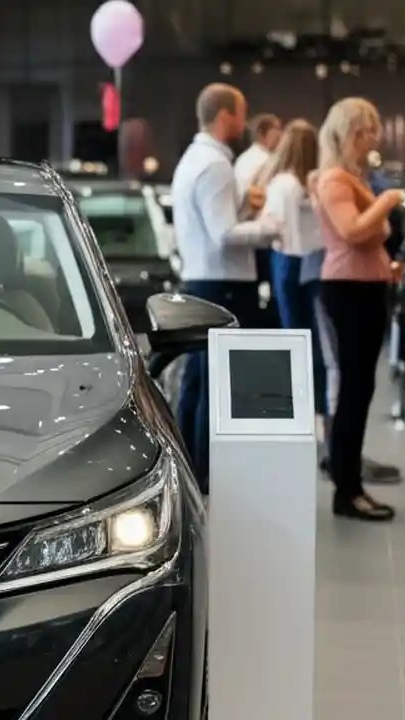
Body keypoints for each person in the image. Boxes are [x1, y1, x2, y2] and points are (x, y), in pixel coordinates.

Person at [170, 83, 281, 491]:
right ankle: (206, 475)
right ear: (225, 116)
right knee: (215, 384)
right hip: (222, 285)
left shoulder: (195, 159)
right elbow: (224, 234)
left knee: (198, 382)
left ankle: (194, 470)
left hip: (205, 279)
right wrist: (269, 227)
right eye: (241, 112)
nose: (245, 121)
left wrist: (244, 206)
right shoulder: (215, 165)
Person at [313, 98, 405, 522]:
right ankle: (347, 488)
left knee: (360, 388)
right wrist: (387, 200)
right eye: (369, 130)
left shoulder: (353, 179)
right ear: (353, 132)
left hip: (365, 286)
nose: (376, 138)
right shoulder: (336, 180)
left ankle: (350, 484)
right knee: (353, 389)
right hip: (349, 289)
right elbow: (352, 231)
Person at [257, 119, 329, 438]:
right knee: (316, 342)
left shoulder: (280, 183)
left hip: (286, 261)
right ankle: (321, 413)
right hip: (316, 264)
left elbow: (271, 226)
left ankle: (297, 415)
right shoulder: (316, 183)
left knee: (293, 341)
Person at [235, 113, 282, 201]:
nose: (280, 134)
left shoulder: (242, 158)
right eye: (277, 129)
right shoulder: (267, 161)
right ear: (261, 132)